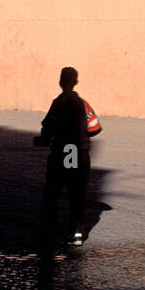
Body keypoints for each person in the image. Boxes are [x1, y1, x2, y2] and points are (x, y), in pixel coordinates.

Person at [35, 66, 90, 251]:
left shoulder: (60, 102)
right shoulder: (81, 103)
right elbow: (91, 129)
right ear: (75, 82)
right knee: (74, 193)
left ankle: (49, 232)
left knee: (54, 192)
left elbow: (47, 126)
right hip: (76, 151)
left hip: (66, 151)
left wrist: (46, 138)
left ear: (60, 82)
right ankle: (75, 233)